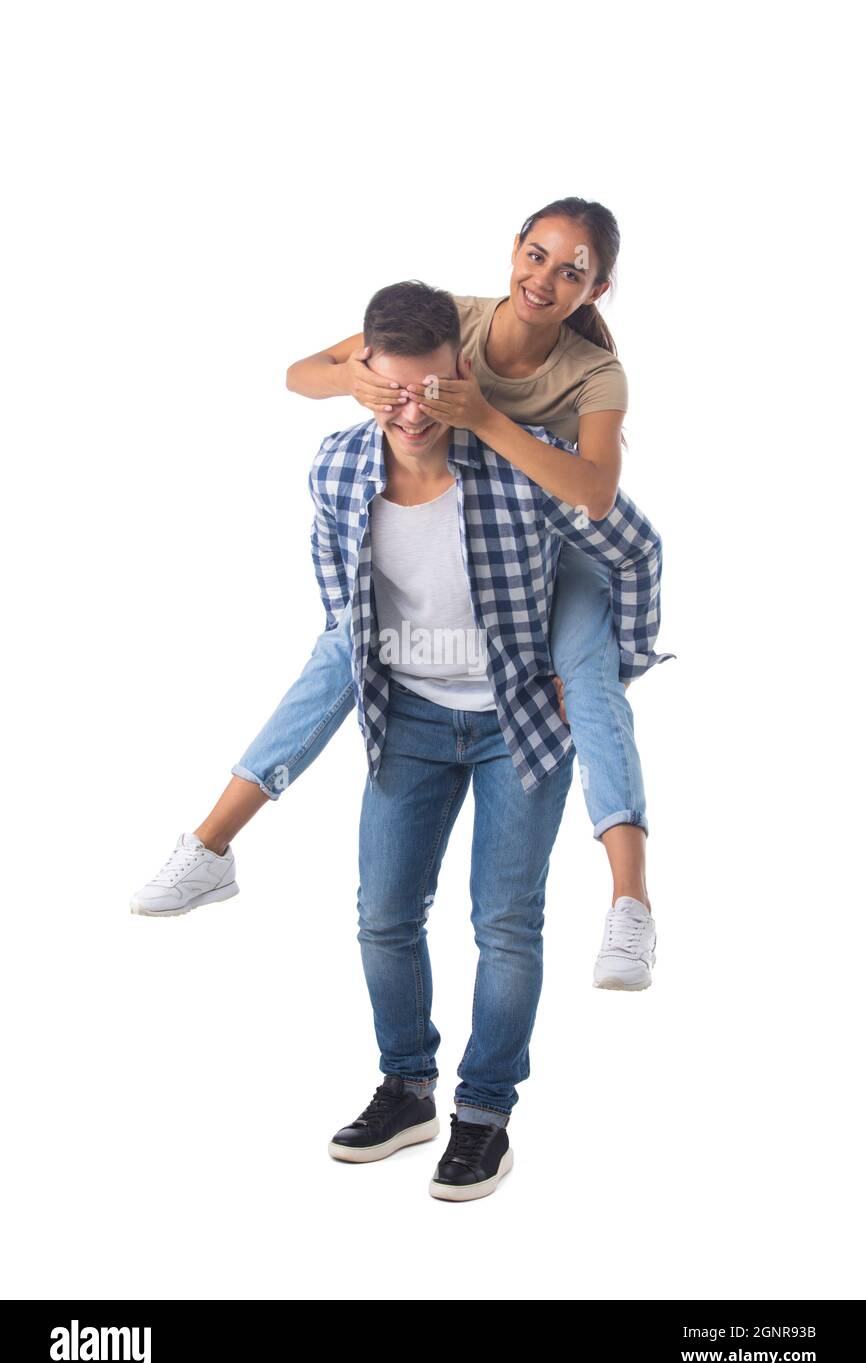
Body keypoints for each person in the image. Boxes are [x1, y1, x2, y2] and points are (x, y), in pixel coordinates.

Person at [131, 197, 671, 990]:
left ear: (596, 290)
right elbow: (299, 374)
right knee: (341, 651)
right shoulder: (454, 319)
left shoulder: (595, 373)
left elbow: (596, 497)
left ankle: (632, 907)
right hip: (472, 540)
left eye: (572, 272)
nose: (545, 279)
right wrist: (359, 381)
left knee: (587, 682)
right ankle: (210, 848)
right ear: (514, 249)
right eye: (537, 255)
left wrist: (482, 417)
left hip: (560, 538)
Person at [303, 280, 666, 1198]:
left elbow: (631, 542)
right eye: (390, 391)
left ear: (461, 377)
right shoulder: (341, 464)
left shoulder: (522, 460)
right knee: (382, 915)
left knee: (505, 924)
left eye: (430, 389)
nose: (410, 411)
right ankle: (407, 1087)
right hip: (412, 718)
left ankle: (485, 1114)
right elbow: (333, 583)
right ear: (366, 379)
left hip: (519, 726)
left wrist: (602, 667)